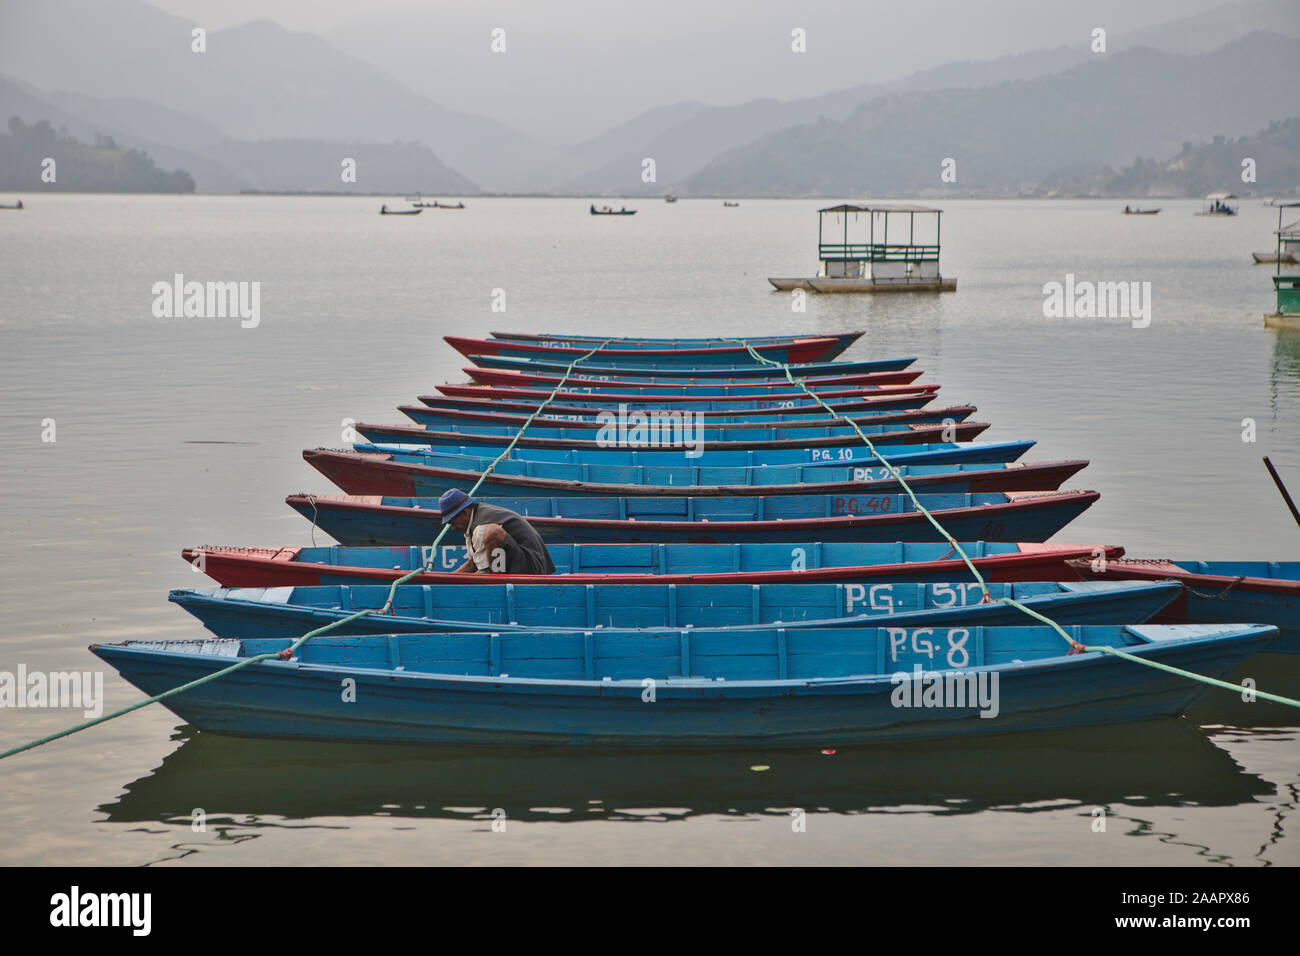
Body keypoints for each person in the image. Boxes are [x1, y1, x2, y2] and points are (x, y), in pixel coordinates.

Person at [438, 488, 556, 575]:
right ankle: (496, 576)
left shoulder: (481, 527)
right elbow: (474, 563)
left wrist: (483, 575)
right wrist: (447, 578)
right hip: (526, 562)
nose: (452, 528)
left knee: (492, 532)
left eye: (453, 522)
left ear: (465, 512)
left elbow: (483, 569)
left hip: (532, 568)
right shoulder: (473, 521)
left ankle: (497, 578)